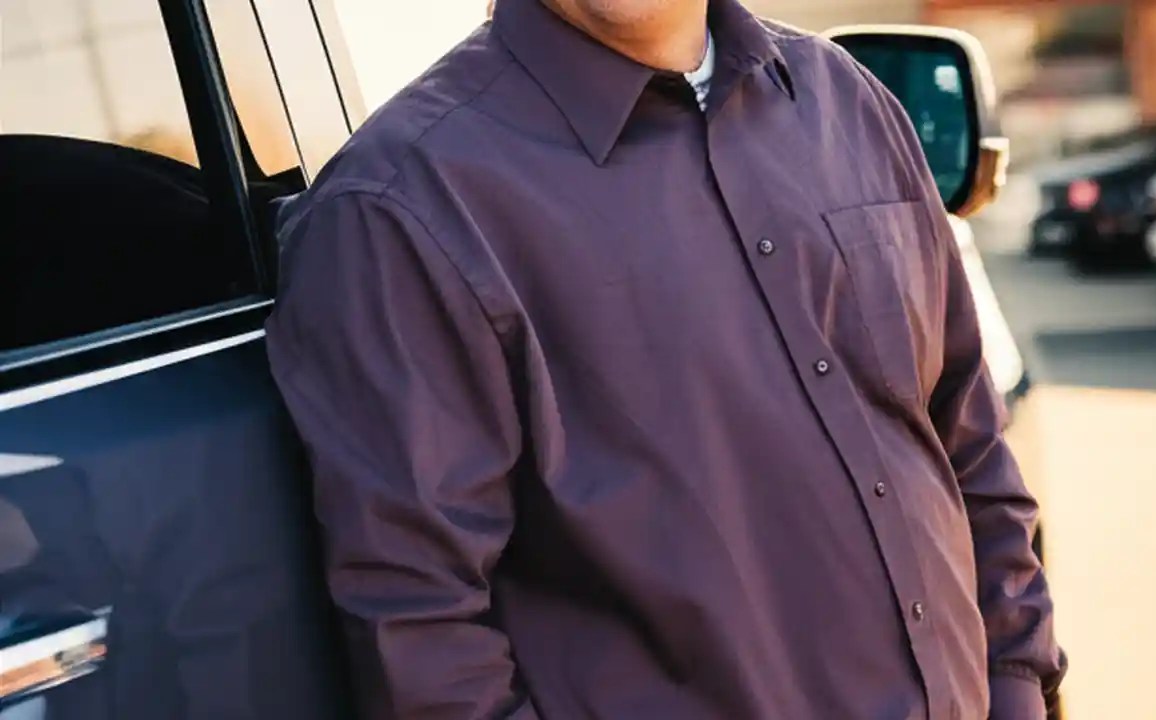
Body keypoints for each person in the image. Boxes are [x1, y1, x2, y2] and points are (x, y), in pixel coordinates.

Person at [265, 0, 1066, 717]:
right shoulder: (399, 209)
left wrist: (1017, 686)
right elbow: (420, 634)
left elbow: (967, 444)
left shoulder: (849, 103)